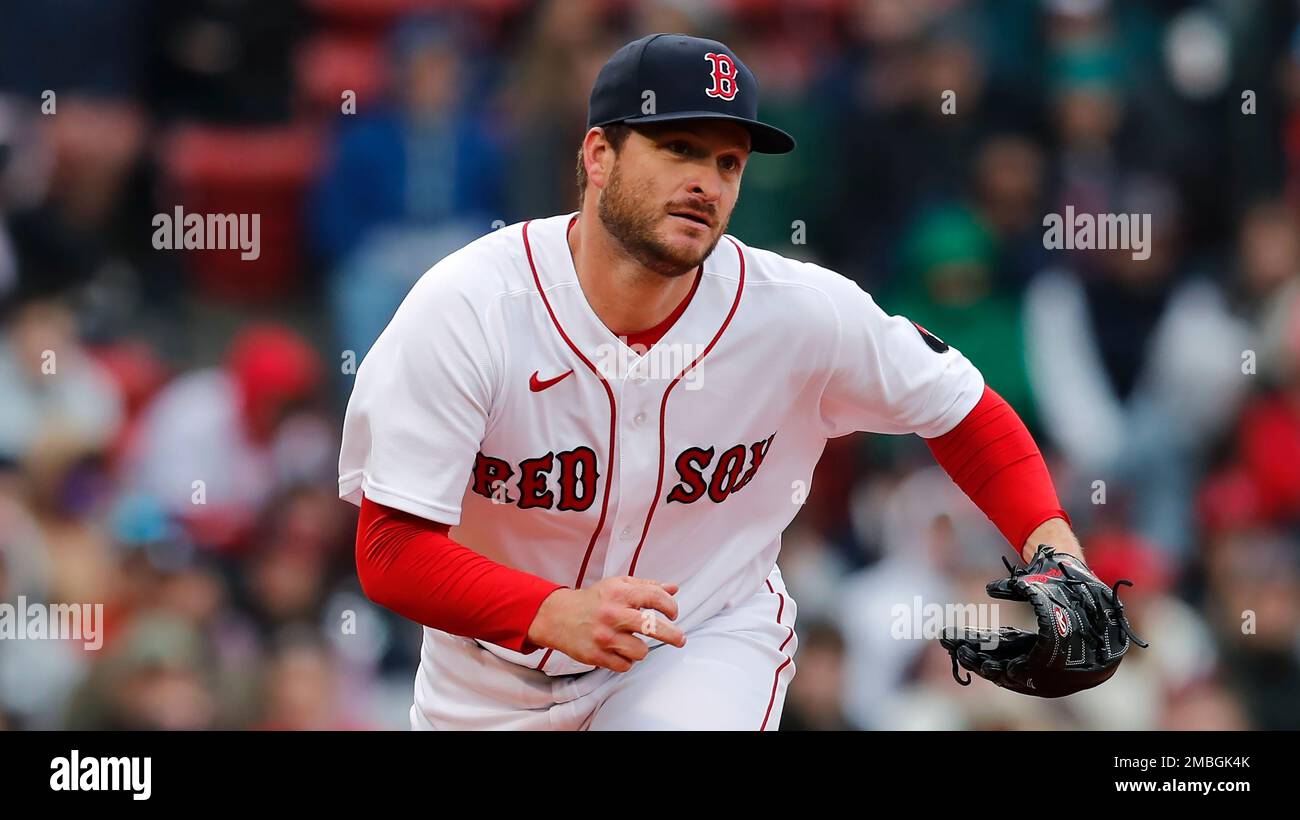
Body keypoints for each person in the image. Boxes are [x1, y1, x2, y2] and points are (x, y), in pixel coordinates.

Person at [340, 33, 1073, 730]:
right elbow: (390, 551)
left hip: (699, 642)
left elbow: (962, 409)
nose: (706, 182)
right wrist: (551, 610)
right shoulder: (470, 309)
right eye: (679, 148)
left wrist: (1058, 556)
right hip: (490, 663)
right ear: (599, 155)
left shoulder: (796, 312)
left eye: (728, 162)